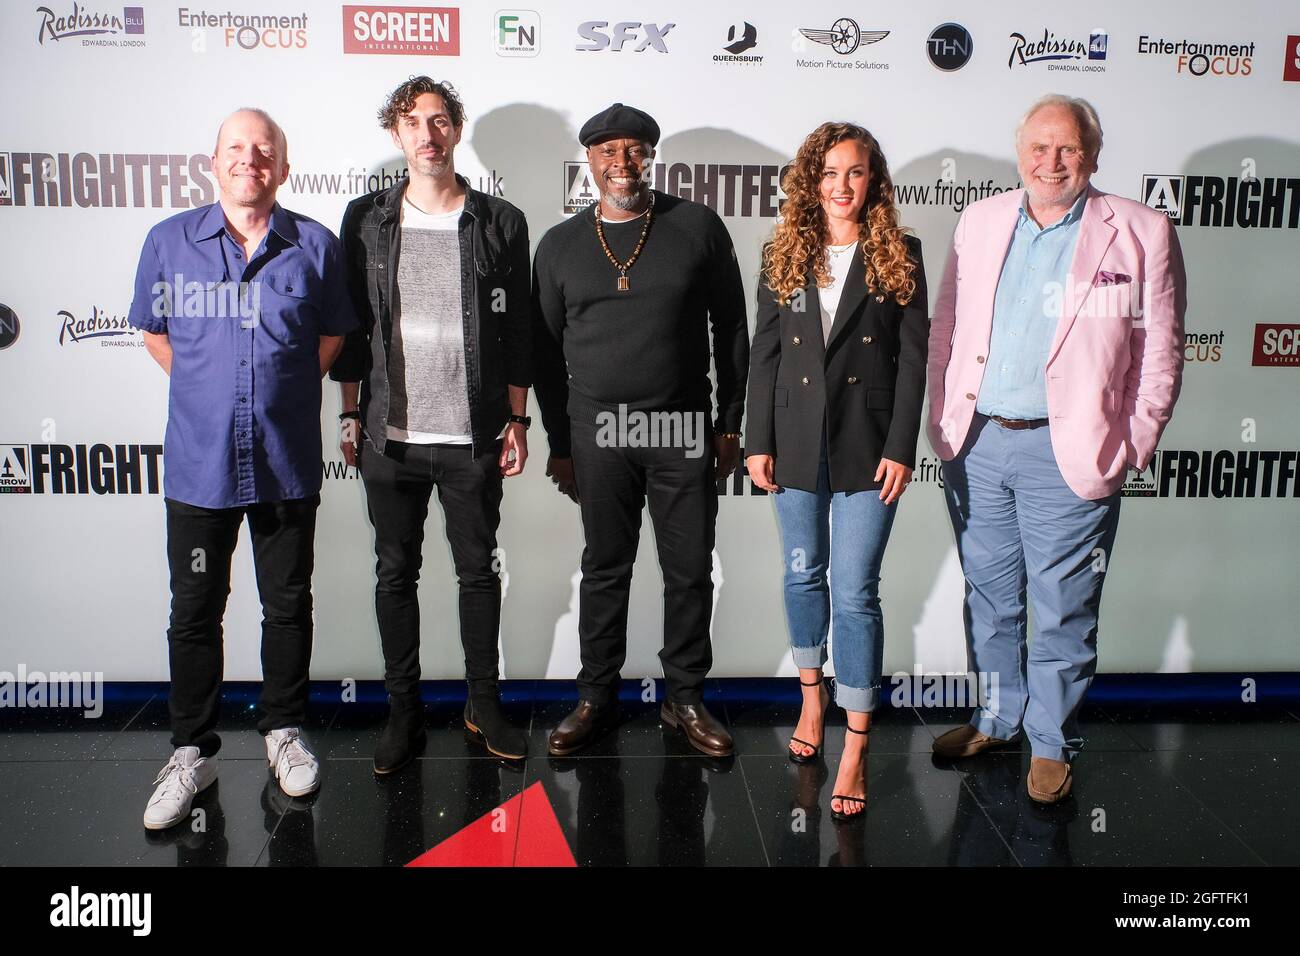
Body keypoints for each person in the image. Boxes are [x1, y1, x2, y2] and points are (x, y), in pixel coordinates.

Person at [927, 94, 1185, 803]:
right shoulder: (979, 221)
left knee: (1064, 604)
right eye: (1039, 147)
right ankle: (997, 718)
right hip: (978, 446)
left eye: (1068, 148)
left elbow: (1159, 352)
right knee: (991, 598)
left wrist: (1132, 441)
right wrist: (943, 421)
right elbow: (947, 329)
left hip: (1069, 452)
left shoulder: (1141, 230)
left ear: (1092, 155)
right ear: (1020, 153)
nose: (1052, 161)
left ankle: (1050, 741)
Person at [129, 108, 358, 830]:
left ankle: (283, 731)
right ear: (213, 162)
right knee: (194, 612)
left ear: (283, 169)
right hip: (200, 469)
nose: (249, 160)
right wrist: (211, 392)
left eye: (264, 151)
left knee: (287, 603)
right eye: (236, 148)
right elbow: (154, 334)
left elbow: (329, 339)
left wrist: (272, 394)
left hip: (285, 463)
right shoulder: (167, 243)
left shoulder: (315, 246)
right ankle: (191, 752)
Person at [532, 103, 749, 757]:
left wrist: (729, 425)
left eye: (634, 150)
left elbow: (733, 330)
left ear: (649, 157)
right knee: (604, 568)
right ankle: (597, 696)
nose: (621, 162)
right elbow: (544, 354)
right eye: (608, 151)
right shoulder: (561, 244)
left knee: (688, 571)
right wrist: (560, 444)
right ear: (590, 161)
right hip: (597, 431)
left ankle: (685, 697)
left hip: (682, 425)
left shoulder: (697, 229)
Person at [332, 78, 533, 769]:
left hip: (473, 435)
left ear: (456, 129)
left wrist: (518, 419)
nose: (428, 134)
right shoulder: (365, 219)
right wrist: (351, 411)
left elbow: (516, 331)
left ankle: (484, 707)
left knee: (477, 575)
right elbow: (354, 329)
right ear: (395, 134)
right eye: (414, 122)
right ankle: (404, 715)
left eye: (440, 120)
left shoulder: (499, 221)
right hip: (392, 437)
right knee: (396, 576)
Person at [745, 122, 927, 821]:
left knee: (854, 590)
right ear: (809, 180)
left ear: (873, 179)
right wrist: (756, 435)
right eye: (827, 173)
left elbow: (913, 362)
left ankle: (855, 741)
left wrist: (902, 445)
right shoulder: (782, 253)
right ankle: (811, 700)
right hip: (793, 442)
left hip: (867, 445)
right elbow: (764, 353)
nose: (840, 186)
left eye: (854, 172)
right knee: (802, 574)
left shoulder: (900, 253)